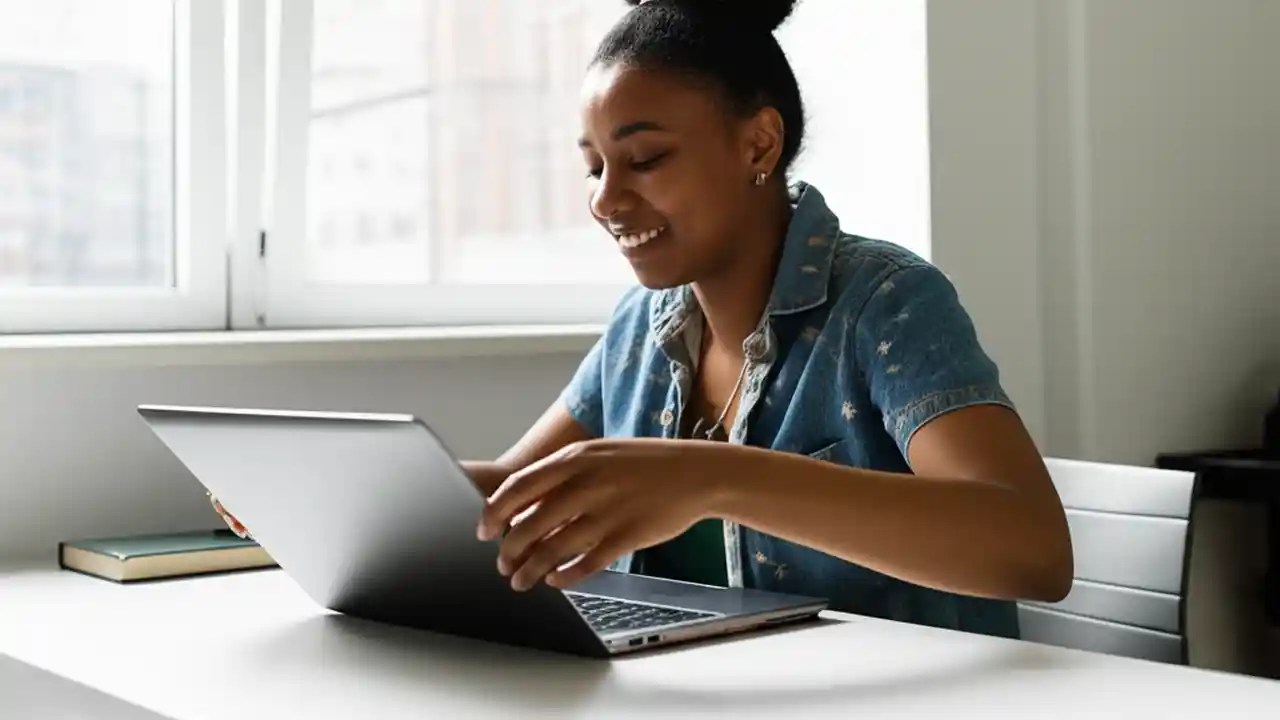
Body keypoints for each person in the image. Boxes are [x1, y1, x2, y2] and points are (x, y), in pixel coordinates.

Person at [219, 0, 1072, 639]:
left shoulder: (885, 301)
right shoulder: (644, 326)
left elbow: (1029, 548)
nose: (607, 199)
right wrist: (330, 494)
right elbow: (516, 495)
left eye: (646, 159)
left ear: (758, 146)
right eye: (593, 166)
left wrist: (712, 476)